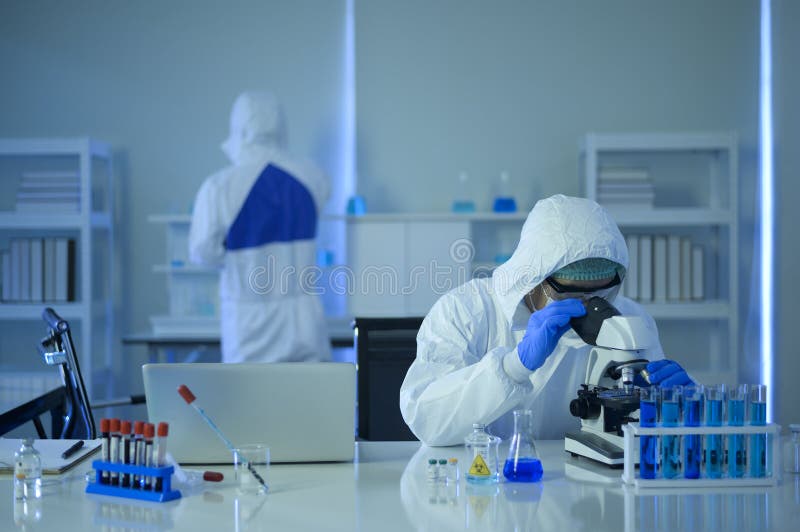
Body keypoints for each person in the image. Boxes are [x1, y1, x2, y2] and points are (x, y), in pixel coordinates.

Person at [400, 194, 692, 446]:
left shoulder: (631, 320)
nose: (589, 305)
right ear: (534, 277)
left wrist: (682, 407)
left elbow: (648, 428)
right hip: (485, 483)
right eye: (573, 293)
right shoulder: (465, 311)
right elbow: (428, 423)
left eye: (601, 292)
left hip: (582, 489)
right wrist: (514, 366)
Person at [189, 91, 331, 363]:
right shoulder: (313, 177)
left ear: (239, 128)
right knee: (307, 402)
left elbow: (203, 252)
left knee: (249, 403)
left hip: (248, 329)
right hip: (304, 324)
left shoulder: (219, 187)